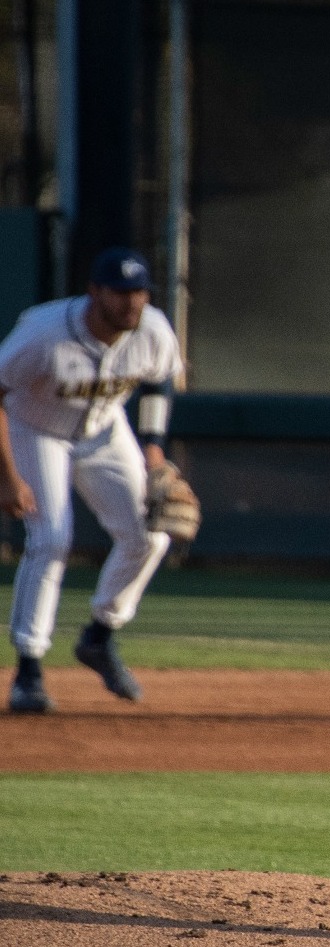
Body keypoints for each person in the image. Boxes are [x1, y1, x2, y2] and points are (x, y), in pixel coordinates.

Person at [2, 248, 184, 714]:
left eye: (139, 292)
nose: (131, 304)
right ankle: (29, 671)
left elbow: (160, 381)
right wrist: (7, 477)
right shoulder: (43, 334)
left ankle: (100, 636)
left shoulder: (153, 329)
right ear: (94, 292)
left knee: (150, 535)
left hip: (104, 429)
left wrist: (154, 446)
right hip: (36, 430)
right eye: (121, 293)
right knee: (52, 539)